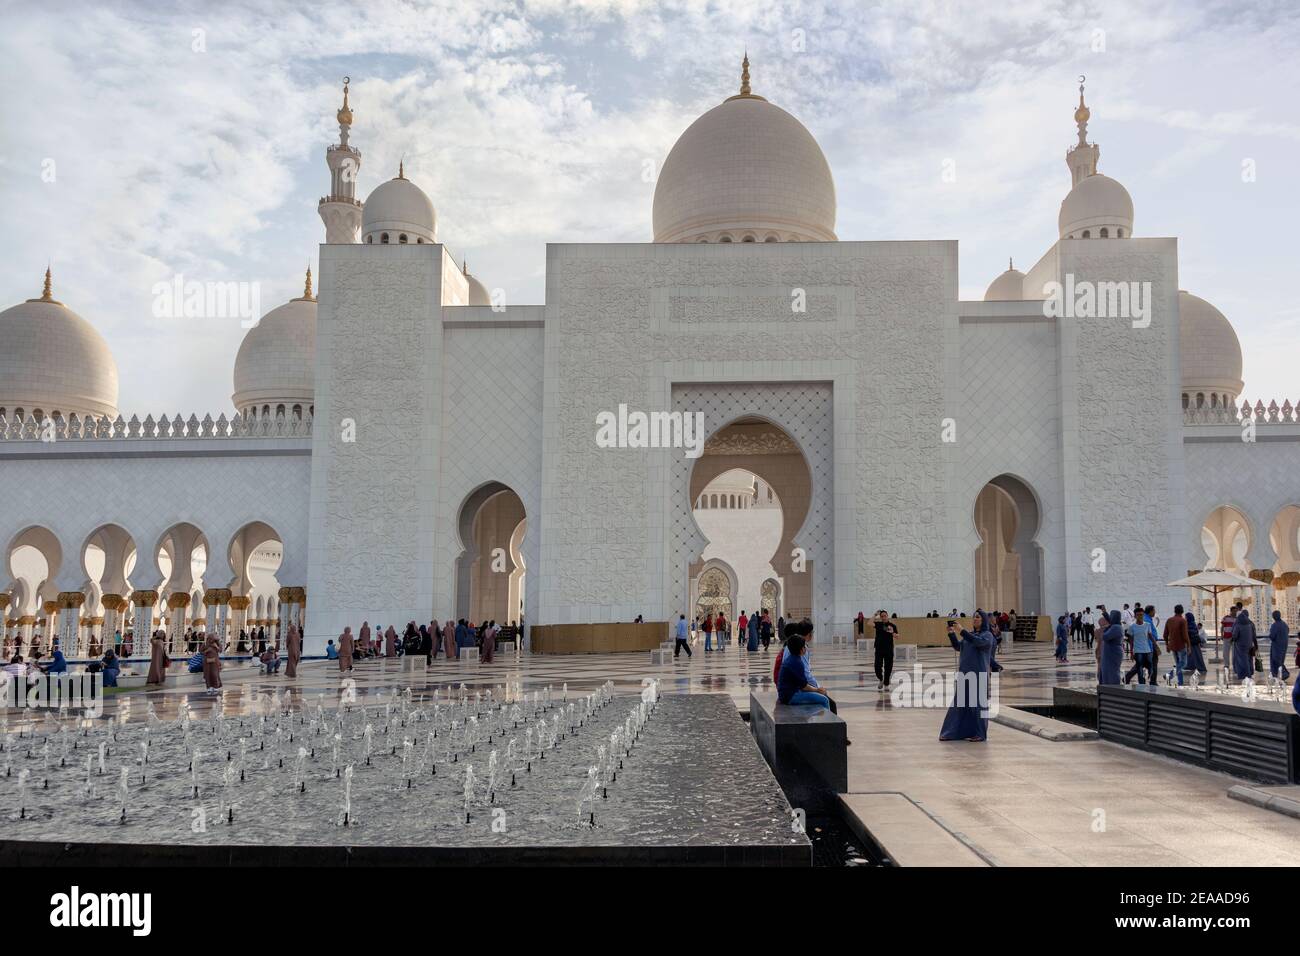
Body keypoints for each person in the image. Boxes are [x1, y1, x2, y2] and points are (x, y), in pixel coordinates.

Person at [939, 613, 994, 741]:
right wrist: (952, 634)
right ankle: (953, 732)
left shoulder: (987, 635)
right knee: (961, 704)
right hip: (965, 673)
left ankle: (979, 733)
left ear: (984, 620)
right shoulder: (969, 635)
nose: (975, 619)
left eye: (978, 617)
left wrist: (962, 631)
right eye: (974, 616)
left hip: (978, 674)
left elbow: (978, 643)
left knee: (978, 705)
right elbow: (959, 647)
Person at [777, 633, 835, 712]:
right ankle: (828, 723)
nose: (806, 649)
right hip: (790, 696)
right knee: (824, 700)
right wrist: (817, 690)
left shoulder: (792, 659)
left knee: (816, 697)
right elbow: (804, 686)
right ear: (801, 649)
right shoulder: (797, 662)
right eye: (804, 647)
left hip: (786, 694)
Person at [1123, 607, 1157, 684]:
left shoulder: (1147, 625)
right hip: (1138, 652)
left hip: (1148, 651)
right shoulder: (1132, 627)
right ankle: (1141, 684)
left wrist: (1156, 646)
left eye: (1141, 615)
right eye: (1138, 615)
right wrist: (1131, 653)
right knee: (1139, 670)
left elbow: (1150, 636)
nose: (1140, 616)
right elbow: (1131, 641)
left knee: (1151, 669)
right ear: (1135, 616)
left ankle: (1151, 682)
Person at [1162, 604, 1189, 686]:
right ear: (1182, 611)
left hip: (1173, 645)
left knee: (1178, 664)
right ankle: (1169, 675)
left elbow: (1165, 634)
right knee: (1183, 663)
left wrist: (1167, 644)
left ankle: (1180, 682)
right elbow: (1185, 635)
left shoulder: (1169, 620)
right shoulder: (1183, 620)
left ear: (1175, 611)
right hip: (1181, 646)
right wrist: (1189, 646)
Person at [1098, 609, 1124, 685]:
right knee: (1106, 670)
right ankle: (1107, 686)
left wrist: (1104, 629)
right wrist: (1104, 612)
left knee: (1111, 671)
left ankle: (1113, 688)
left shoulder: (1116, 627)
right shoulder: (1115, 626)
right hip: (1110, 652)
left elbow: (1105, 637)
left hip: (1113, 652)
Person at [1231, 608, 1256, 681]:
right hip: (1249, 645)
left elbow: (1235, 636)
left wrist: (1232, 638)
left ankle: (1244, 674)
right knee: (1249, 659)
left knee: (1242, 661)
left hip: (1240, 646)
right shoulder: (1250, 624)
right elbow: (1254, 636)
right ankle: (1250, 672)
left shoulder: (1238, 625)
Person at [873, 610, 895, 691]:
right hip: (879, 649)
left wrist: (893, 633)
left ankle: (886, 683)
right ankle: (881, 679)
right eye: (882, 616)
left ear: (887, 616)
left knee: (888, 667)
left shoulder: (892, 625)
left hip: (888, 649)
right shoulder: (878, 624)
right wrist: (875, 615)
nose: (883, 617)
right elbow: (869, 623)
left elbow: (897, 635)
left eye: (885, 616)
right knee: (877, 666)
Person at [1184, 609, 1208, 680]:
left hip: (1191, 643)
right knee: (1196, 656)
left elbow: (1188, 634)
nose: (1185, 618)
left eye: (1186, 617)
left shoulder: (1188, 625)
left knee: (1191, 655)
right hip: (1195, 643)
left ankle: (1192, 666)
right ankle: (1194, 666)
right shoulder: (1193, 624)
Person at [1266, 610, 1290, 682]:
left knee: (1275, 660)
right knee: (1280, 660)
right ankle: (1279, 675)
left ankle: (1282, 674)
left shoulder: (1275, 625)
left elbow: (1272, 636)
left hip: (1276, 646)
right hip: (1284, 645)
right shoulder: (1284, 624)